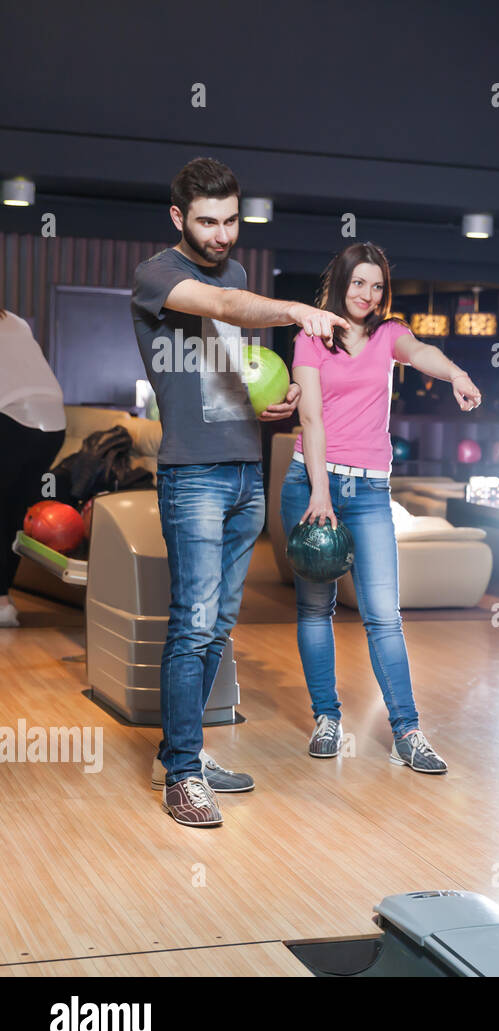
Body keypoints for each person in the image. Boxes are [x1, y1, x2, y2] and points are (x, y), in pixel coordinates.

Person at [131, 157, 348, 828]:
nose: (222, 235)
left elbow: (228, 373)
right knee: (192, 624)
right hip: (193, 474)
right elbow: (224, 308)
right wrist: (297, 310)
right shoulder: (157, 275)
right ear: (178, 217)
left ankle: (182, 753)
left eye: (231, 221)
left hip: (244, 470)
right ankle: (183, 775)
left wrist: (267, 405)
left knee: (219, 625)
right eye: (207, 222)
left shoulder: (238, 272)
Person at [281, 242, 482, 771]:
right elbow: (311, 418)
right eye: (358, 283)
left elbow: (421, 353)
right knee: (315, 608)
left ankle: (408, 732)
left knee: (383, 616)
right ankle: (327, 718)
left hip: (370, 491)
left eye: (376, 286)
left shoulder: (389, 334)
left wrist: (456, 374)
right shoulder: (311, 337)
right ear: (340, 284)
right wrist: (320, 492)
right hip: (311, 483)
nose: (367, 295)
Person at [0, 309, 66, 627]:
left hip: (14, 418)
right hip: (53, 424)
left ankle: (2, 602)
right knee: (13, 511)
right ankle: (3, 603)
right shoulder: (14, 320)